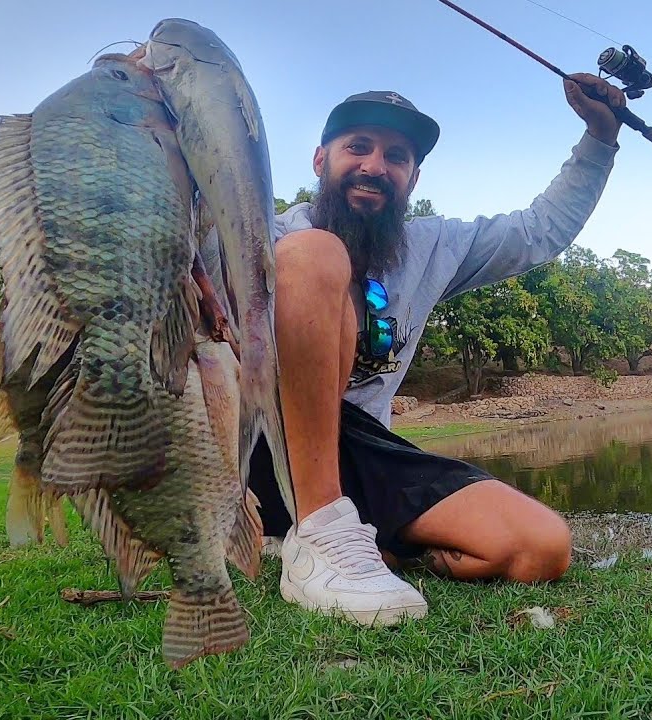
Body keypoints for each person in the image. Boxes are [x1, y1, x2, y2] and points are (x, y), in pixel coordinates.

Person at [247, 72, 627, 627]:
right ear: (319, 160)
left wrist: (600, 138)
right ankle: (315, 530)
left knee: (538, 547)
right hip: (260, 438)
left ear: (413, 176)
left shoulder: (434, 245)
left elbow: (540, 231)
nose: (375, 166)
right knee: (315, 255)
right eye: (357, 147)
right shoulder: (264, 232)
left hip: (365, 447)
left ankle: (359, 545)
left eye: (396, 156)